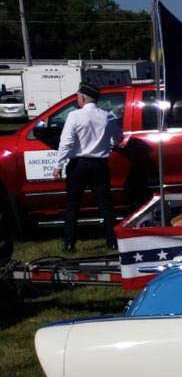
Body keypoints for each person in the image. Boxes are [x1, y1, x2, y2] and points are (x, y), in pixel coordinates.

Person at [53, 82, 123, 251]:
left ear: (83, 98)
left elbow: (67, 142)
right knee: (105, 205)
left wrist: (58, 164)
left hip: (78, 165)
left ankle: (70, 243)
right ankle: (112, 241)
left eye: (78, 96)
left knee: (72, 205)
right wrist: (109, 143)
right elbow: (118, 138)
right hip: (100, 164)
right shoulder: (107, 116)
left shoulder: (74, 116)